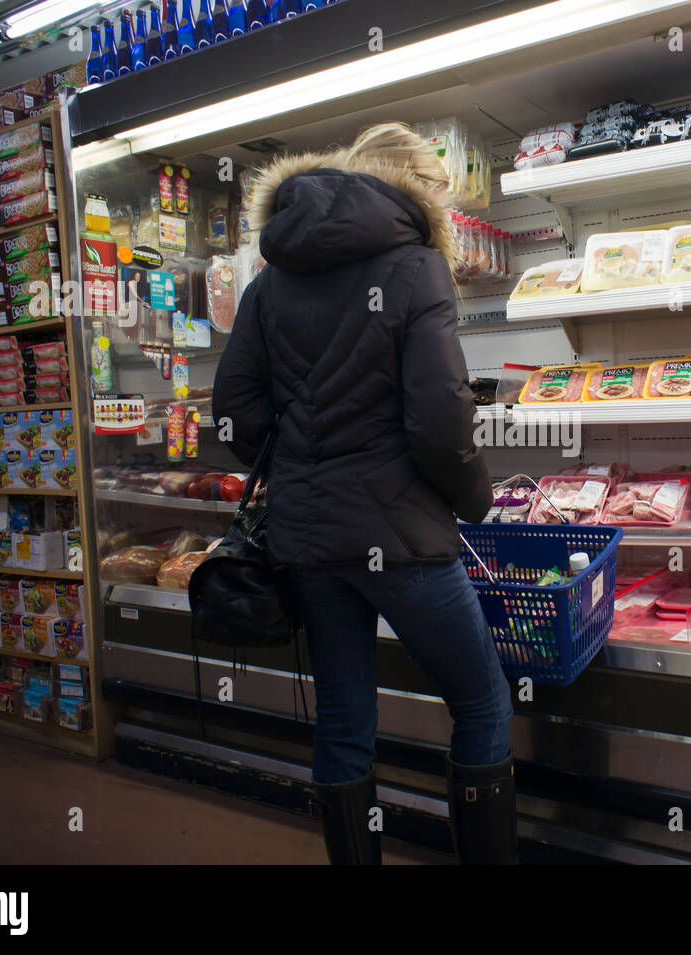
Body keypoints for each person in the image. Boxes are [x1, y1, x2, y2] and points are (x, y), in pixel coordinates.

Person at [213, 123, 516, 865]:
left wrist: (302, 468)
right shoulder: (416, 268)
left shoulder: (268, 281)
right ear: (417, 190)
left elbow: (235, 411)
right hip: (404, 539)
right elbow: (442, 421)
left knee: (344, 719)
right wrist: (479, 500)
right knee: (480, 701)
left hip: (310, 542)